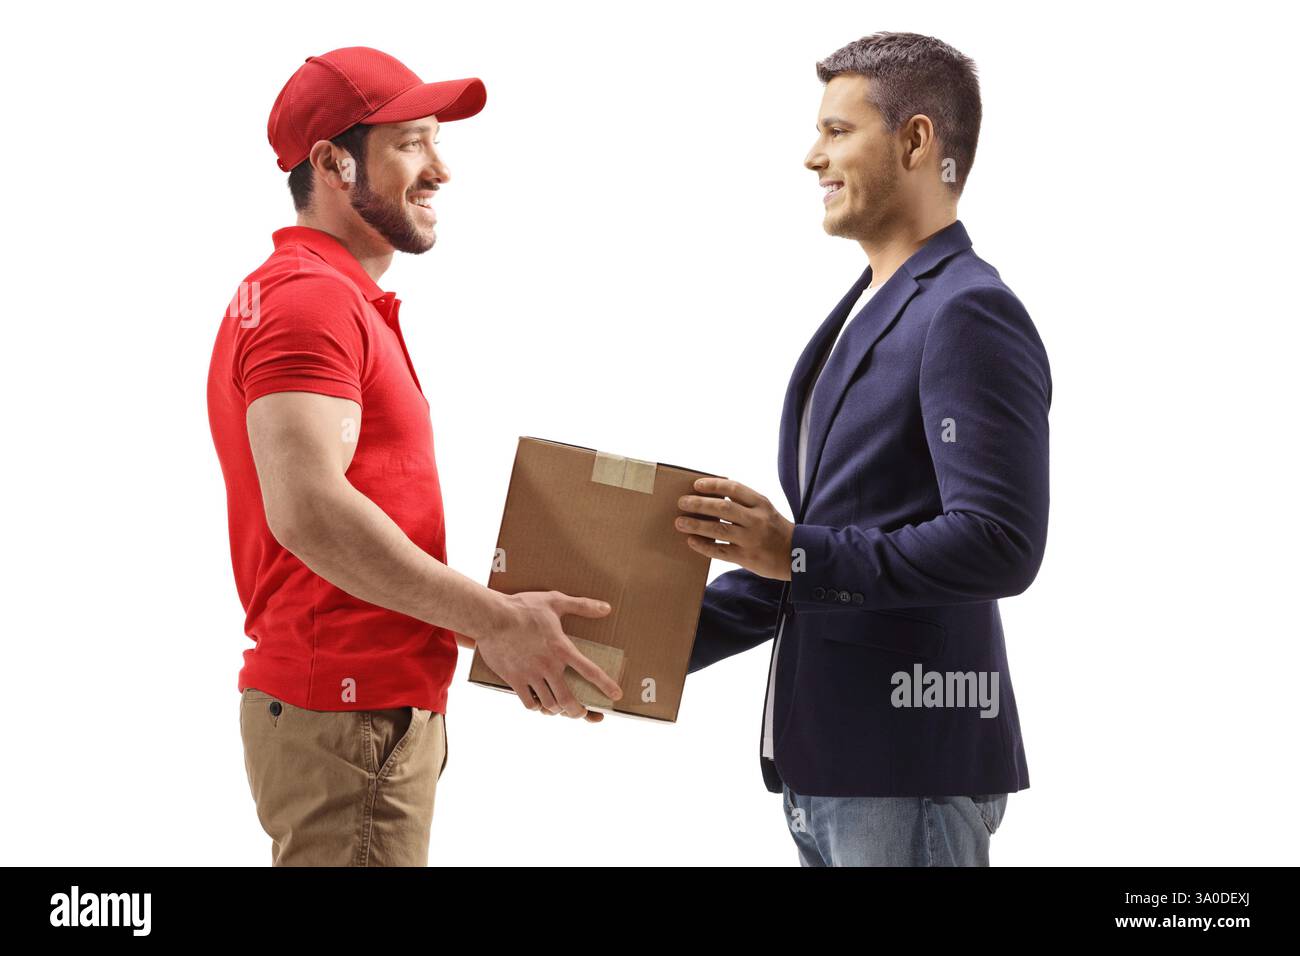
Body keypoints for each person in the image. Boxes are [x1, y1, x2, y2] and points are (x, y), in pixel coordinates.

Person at [207, 46, 621, 866]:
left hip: (362, 715)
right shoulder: (308, 301)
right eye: (411, 143)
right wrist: (496, 622)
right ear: (332, 162)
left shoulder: (329, 296)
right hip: (349, 715)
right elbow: (309, 512)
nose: (440, 170)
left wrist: (490, 624)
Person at [675, 32, 1051, 866]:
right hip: (832, 770)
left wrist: (796, 552)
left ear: (916, 142)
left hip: (906, 765)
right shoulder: (868, 308)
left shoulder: (968, 311)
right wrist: (633, 649)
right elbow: (823, 553)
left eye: (839, 131)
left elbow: (1001, 543)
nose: (813, 157)